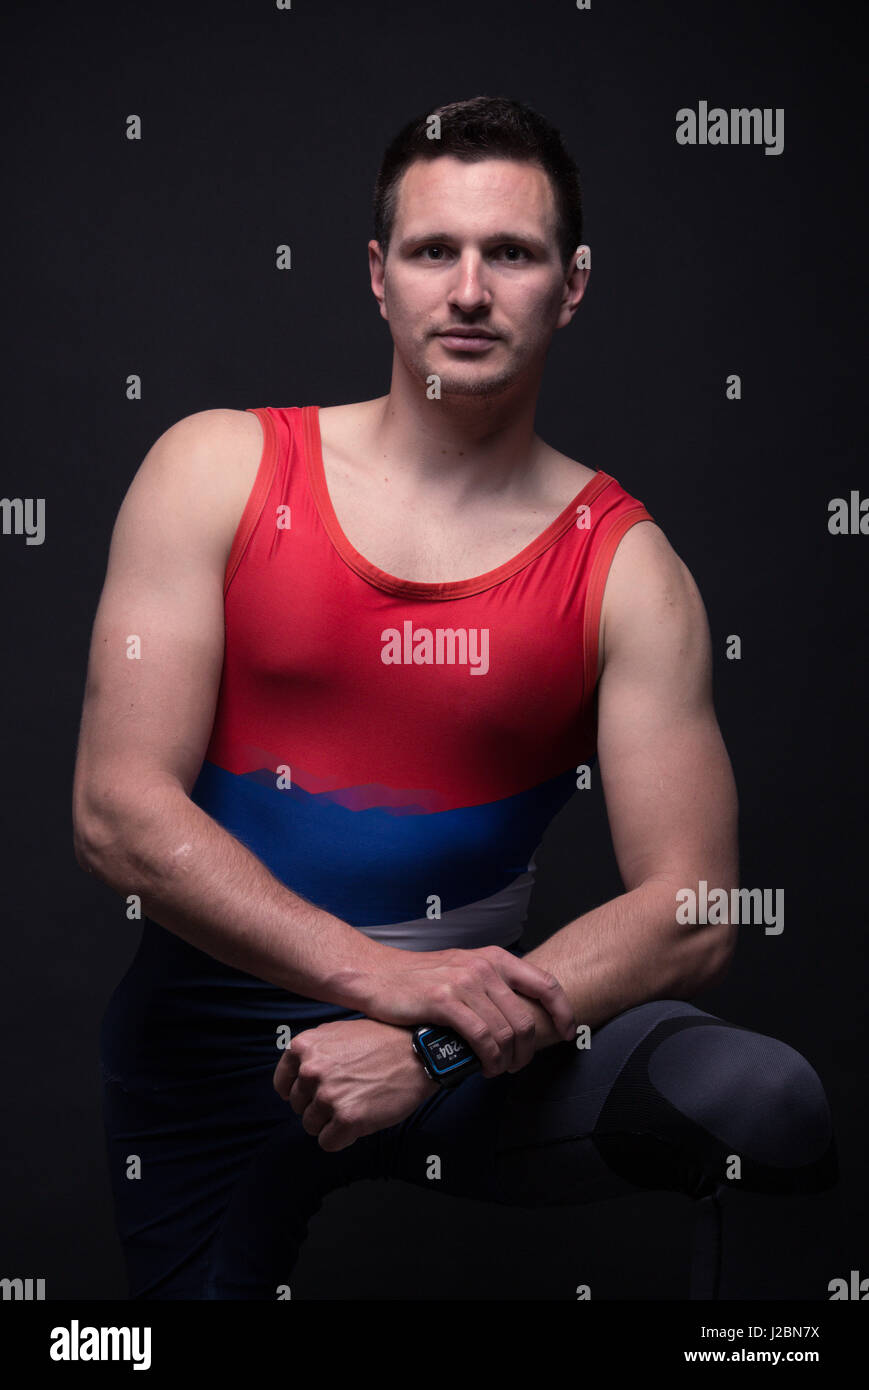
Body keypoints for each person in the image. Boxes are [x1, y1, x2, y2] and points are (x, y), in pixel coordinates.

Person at [72, 95, 839, 1300]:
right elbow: (116, 810)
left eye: (512, 253)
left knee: (763, 1103)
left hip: (470, 1050)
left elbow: (696, 906)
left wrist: (425, 1041)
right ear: (377, 276)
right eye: (435, 250)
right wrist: (379, 978)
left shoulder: (626, 569)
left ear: (570, 285)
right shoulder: (214, 468)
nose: (469, 289)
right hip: (207, 1059)